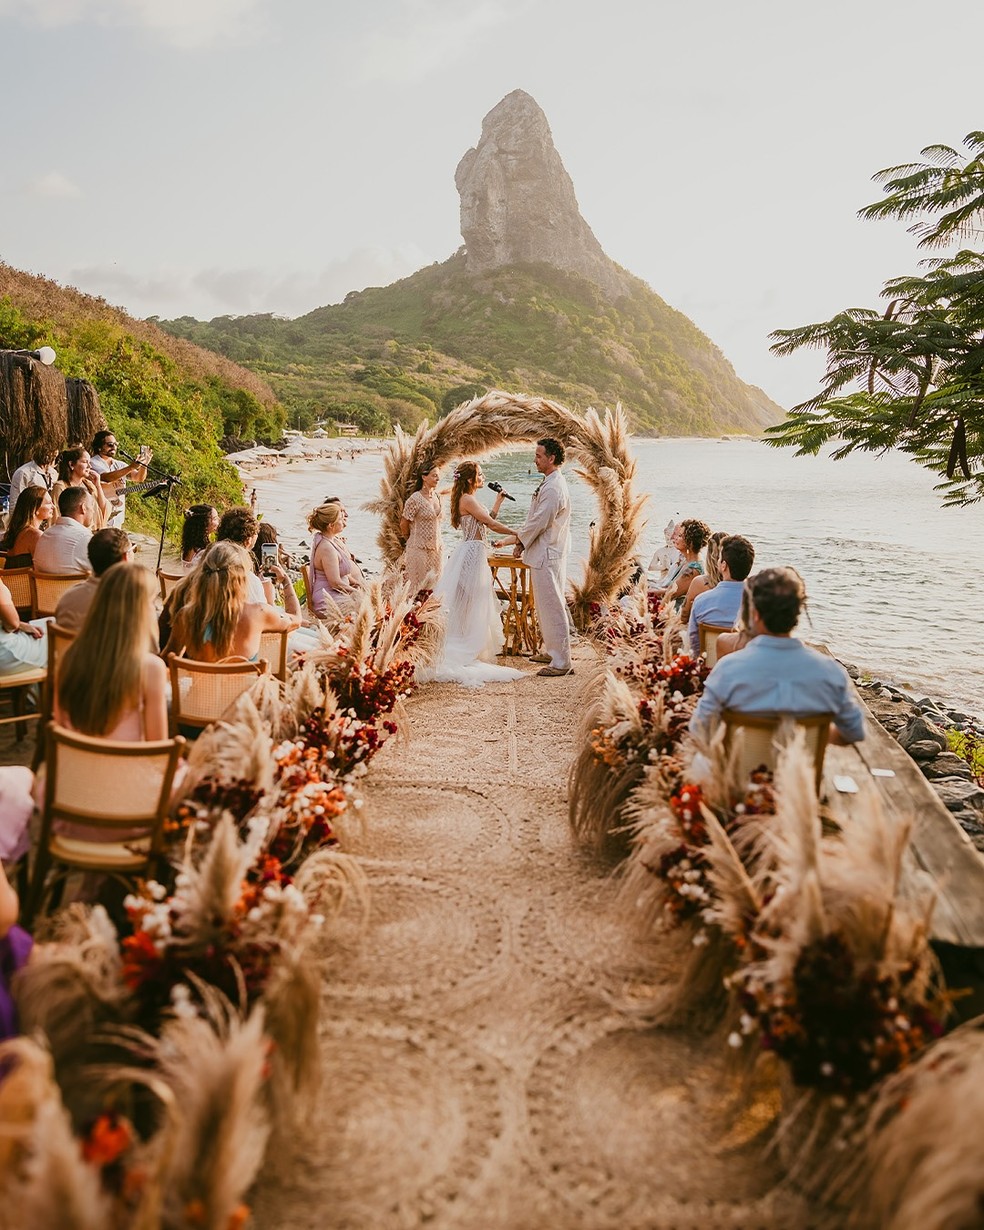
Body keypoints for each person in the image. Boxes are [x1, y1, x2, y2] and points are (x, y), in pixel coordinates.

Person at [690, 567, 866, 746]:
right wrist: (804, 736)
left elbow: (699, 730)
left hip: (739, 773)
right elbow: (854, 731)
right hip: (799, 773)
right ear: (796, 615)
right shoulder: (830, 672)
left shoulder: (728, 669)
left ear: (755, 614)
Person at [422, 460, 524, 688]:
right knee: (472, 599)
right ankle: (465, 643)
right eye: (480, 474)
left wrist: (498, 503)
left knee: (473, 599)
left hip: (474, 551)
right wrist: (519, 533)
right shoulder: (467, 499)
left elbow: (486, 523)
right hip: (472, 554)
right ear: (470, 479)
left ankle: (469, 640)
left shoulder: (467, 499)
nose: (483, 477)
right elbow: (489, 524)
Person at [56, 563, 169, 741]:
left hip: (73, 767)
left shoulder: (69, 658)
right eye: (152, 602)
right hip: (128, 768)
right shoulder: (151, 669)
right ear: (142, 610)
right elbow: (157, 748)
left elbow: (60, 730)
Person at [164, 541, 300, 663]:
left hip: (200, 690)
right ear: (241, 578)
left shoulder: (186, 617)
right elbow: (296, 619)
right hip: (247, 691)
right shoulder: (258, 613)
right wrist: (286, 582)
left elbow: (167, 661)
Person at [512, 438, 573, 677]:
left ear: (552, 458)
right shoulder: (550, 483)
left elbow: (540, 521)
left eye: (539, 456)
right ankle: (553, 650)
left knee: (552, 605)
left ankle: (561, 662)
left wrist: (519, 540)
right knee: (546, 605)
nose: (535, 460)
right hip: (548, 551)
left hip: (548, 552)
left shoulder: (554, 487)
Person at [54, 528, 133, 633]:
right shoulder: (135, 604)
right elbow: (154, 648)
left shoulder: (67, 599)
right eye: (132, 550)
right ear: (125, 558)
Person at [688, 535, 756, 655]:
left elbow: (694, 645)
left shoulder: (701, 601)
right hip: (746, 670)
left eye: (719, 558)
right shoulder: (758, 604)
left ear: (723, 565)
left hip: (710, 669)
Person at [308, 503, 365, 616]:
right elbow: (335, 583)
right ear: (331, 525)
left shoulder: (332, 541)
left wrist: (360, 585)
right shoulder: (326, 548)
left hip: (337, 594)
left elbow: (345, 575)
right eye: (340, 519)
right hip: (328, 599)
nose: (343, 521)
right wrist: (357, 592)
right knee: (365, 610)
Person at [88, 429, 151, 529]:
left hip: (117, 517)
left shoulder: (119, 464)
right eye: (110, 444)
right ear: (99, 447)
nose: (114, 447)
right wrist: (131, 467)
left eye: (115, 444)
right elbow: (106, 478)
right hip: (100, 513)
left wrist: (144, 465)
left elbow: (138, 478)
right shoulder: (93, 462)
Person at [400, 464, 443, 594]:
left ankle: (430, 614)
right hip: (418, 548)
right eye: (434, 475)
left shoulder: (437, 496)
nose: (437, 479)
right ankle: (414, 613)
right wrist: (411, 538)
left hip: (437, 549)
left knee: (434, 586)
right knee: (417, 587)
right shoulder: (415, 499)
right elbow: (403, 523)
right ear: (424, 477)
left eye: (438, 476)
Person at [31, 487, 92, 575]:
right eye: (92, 506)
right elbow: (106, 574)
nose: (93, 511)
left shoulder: (45, 536)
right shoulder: (84, 538)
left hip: (44, 588)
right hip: (73, 588)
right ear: (83, 508)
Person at [652, 519, 711, 610]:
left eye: (680, 536)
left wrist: (644, 592)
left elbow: (670, 593)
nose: (674, 538)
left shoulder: (693, 570)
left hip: (673, 612)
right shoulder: (685, 560)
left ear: (689, 543)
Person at [52, 445, 109, 530]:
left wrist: (98, 485)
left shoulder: (89, 485)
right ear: (71, 464)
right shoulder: (60, 487)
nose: (90, 466)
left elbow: (103, 508)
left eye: (89, 462)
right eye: (85, 462)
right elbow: (56, 515)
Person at [0, 574, 47, 675]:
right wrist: (15, 625)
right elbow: (12, 624)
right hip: (5, 655)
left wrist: (20, 625)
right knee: (55, 634)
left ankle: (28, 688)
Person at [0, 485, 55, 565]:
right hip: (26, 577)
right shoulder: (35, 535)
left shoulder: (19, 531)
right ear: (35, 509)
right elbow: (47, 567)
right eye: (49, 503)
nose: (53, 506)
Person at [680, 530, 727, 622]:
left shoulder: (699, 583)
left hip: (703, 634)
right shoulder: (741, 587)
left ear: (709, 556)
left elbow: (684, 615)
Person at [181, 503, 219, 570]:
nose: (219, 521)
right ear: (204, 523)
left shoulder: (188, 547)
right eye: (215, 518)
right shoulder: (204, 554)